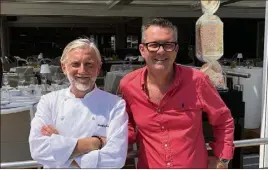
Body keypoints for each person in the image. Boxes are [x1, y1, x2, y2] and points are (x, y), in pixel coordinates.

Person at [119, 18, 234, 169]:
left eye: (168, 45)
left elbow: (223, 119)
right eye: (153, 45)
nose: (161, 51)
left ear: (176, 49)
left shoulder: (197, 80)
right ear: (142, 49)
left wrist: (222, 159)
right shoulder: (128, 85)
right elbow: (127, 126)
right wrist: (106, 142)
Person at [29, 38, 128, 168]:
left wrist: (60, 148)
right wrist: (94, 143)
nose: (82, 71)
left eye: (89, 64)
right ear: (64, 68)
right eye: (75, 64)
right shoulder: (48, 101)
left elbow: (116, 159)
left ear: (98, 69)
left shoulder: (115, 104)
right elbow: (38, 150)